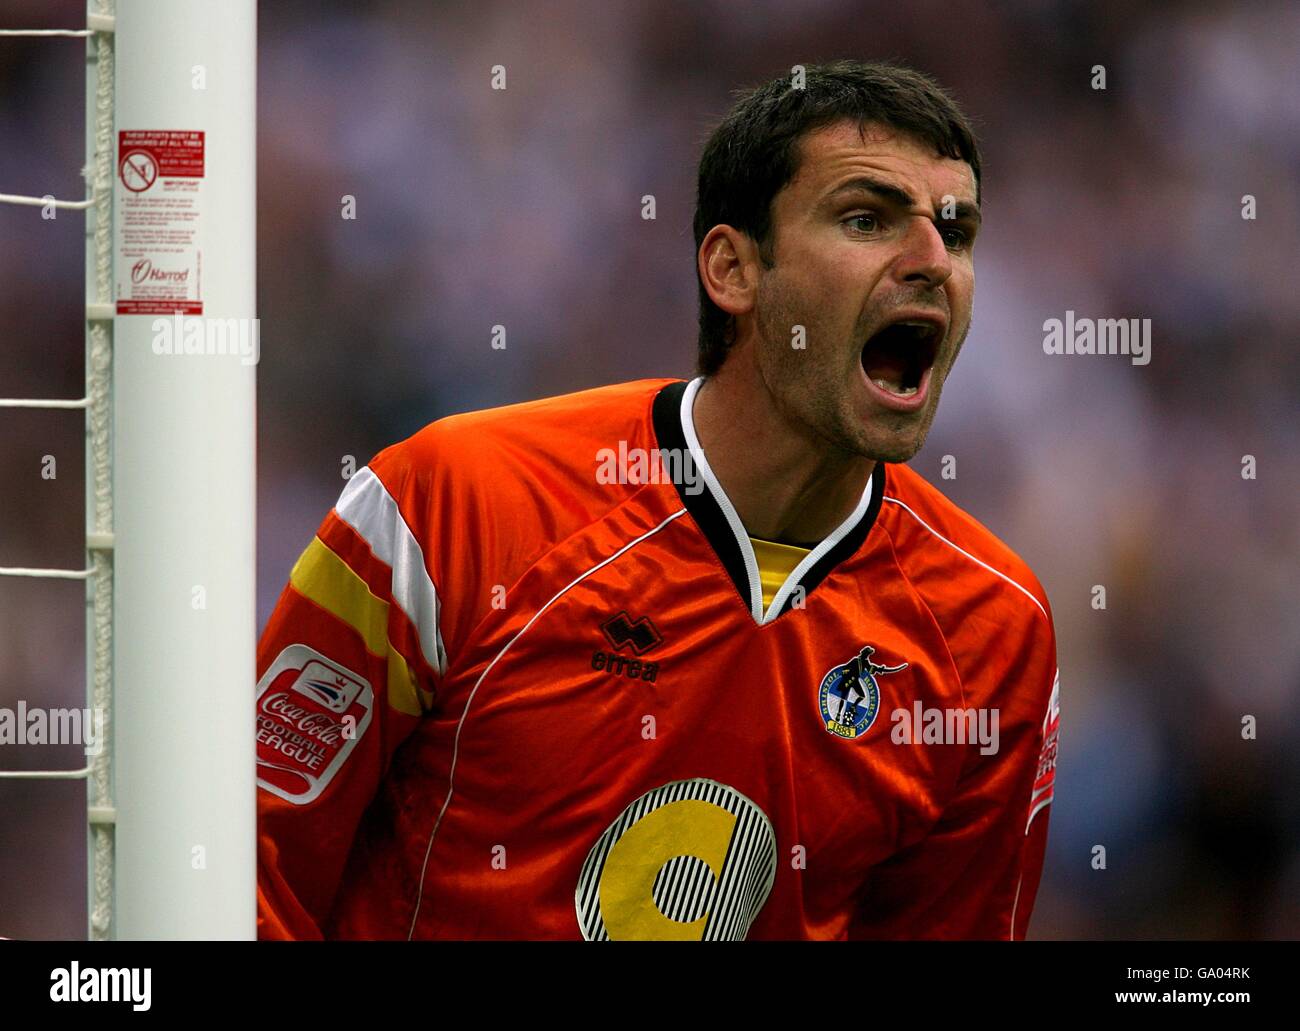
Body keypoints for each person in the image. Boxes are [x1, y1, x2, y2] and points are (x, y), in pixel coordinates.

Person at [257, 59, 1060, 940]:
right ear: (733, 269)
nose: (932, 262)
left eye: (958, 230)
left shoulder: (990, 629)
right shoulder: (454, 500)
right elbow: (249, 872)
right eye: (866, 219)